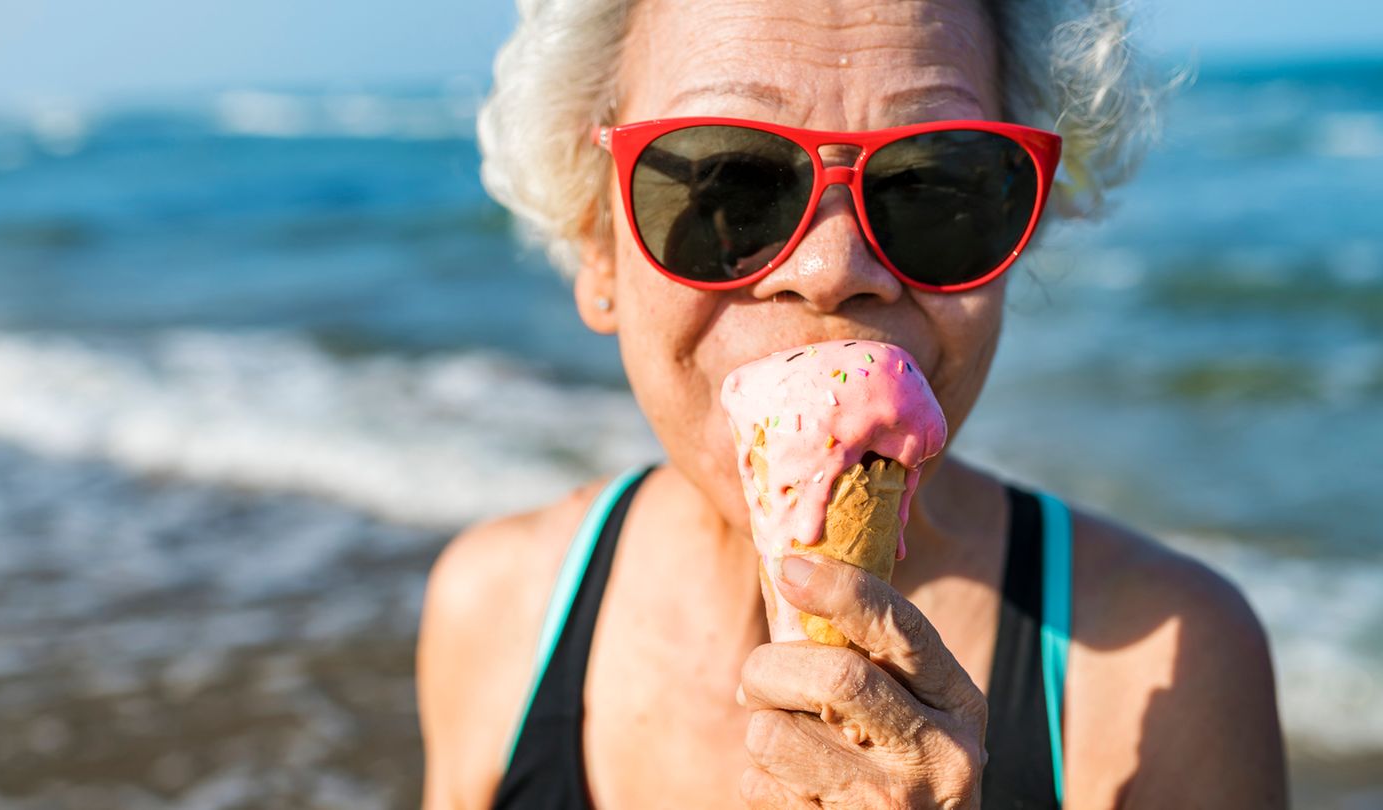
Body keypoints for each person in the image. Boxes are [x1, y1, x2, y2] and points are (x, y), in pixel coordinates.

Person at [419, 0, 1288, 807]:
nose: (834, 268)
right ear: (595, 240)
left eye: (934, 186)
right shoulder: (497, 609)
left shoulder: (1168, 660)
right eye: (730, 186)